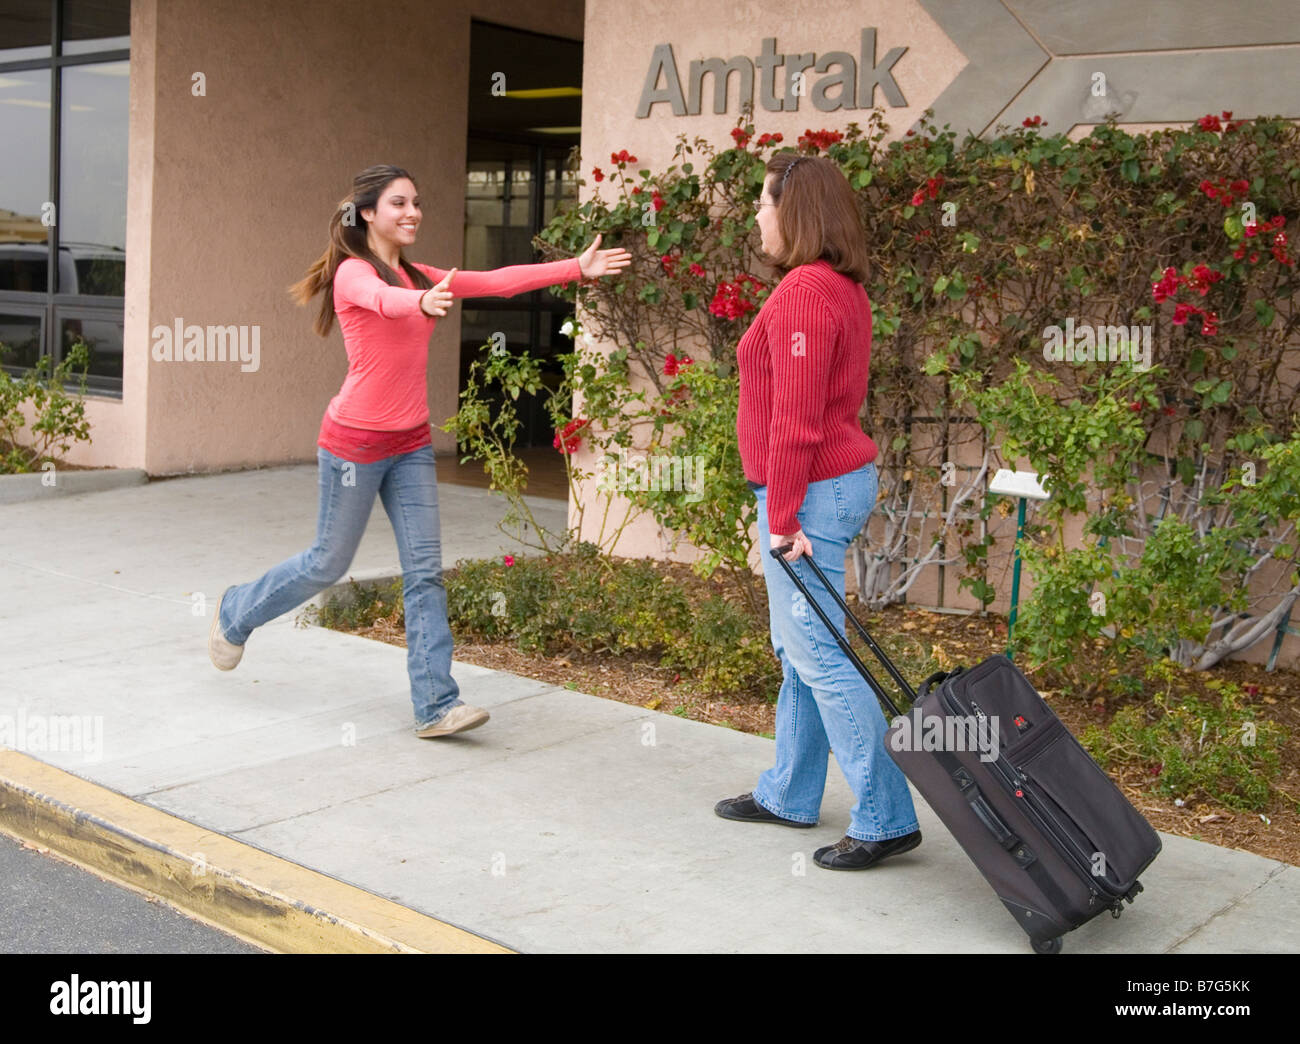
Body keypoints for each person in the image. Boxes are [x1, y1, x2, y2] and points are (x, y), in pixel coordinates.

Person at [208, 164, 629, 738]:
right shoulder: (354, 275)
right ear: (367, 214)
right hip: (354, 446)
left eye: (416, 203)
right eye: (398, 204)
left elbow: (498, 280)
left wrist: (574, 268)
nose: (412, 213)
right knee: (328, 563)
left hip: (409, 444)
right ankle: (237, 610)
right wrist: (420, 303)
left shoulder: (420, 274)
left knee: (425, 571)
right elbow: (383, 301)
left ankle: (436, 705)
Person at [714, 154, 922, 868]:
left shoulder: (805, 290)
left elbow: (798, 420)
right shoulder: (838, 287)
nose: (756, 215)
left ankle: (886, 816)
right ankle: (789, 793)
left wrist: (782, 518)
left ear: (793, 211)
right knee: (800, 650)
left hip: (808, 495)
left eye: (764, 204)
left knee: (818, 653)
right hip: (825, 487)